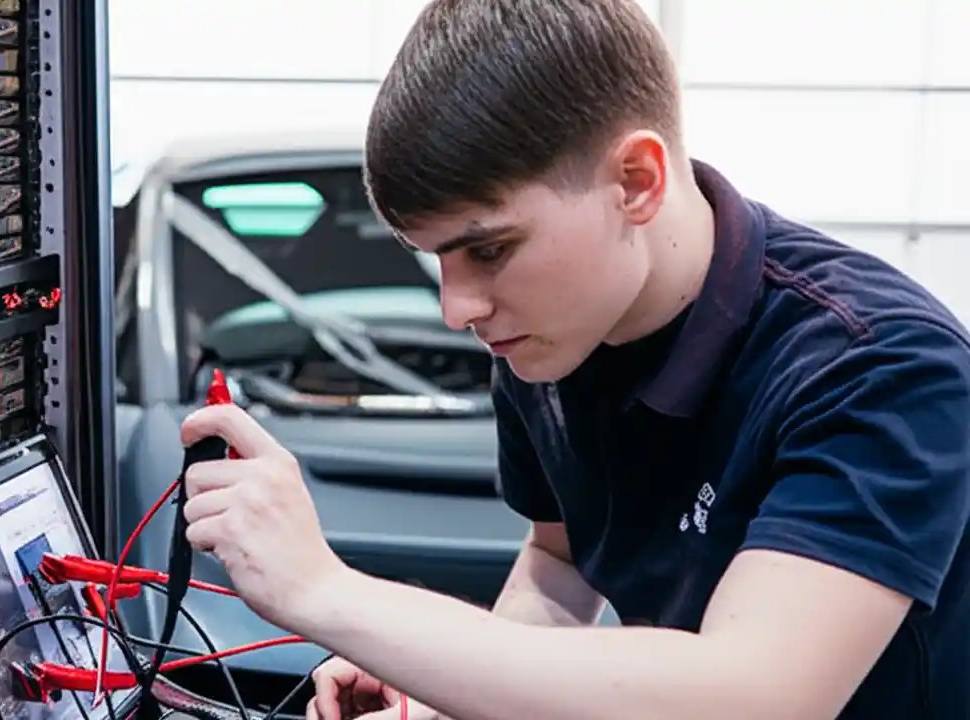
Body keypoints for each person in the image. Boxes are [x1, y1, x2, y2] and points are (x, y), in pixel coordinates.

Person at [177, 1, 970, 718]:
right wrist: (450, 692)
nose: (459, 310)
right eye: (436, 261)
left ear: (636, 181)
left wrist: (326, 592)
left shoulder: (879, 367)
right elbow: (560, 562)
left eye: (487, 248)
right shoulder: (550, 337)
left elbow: (753, 696)